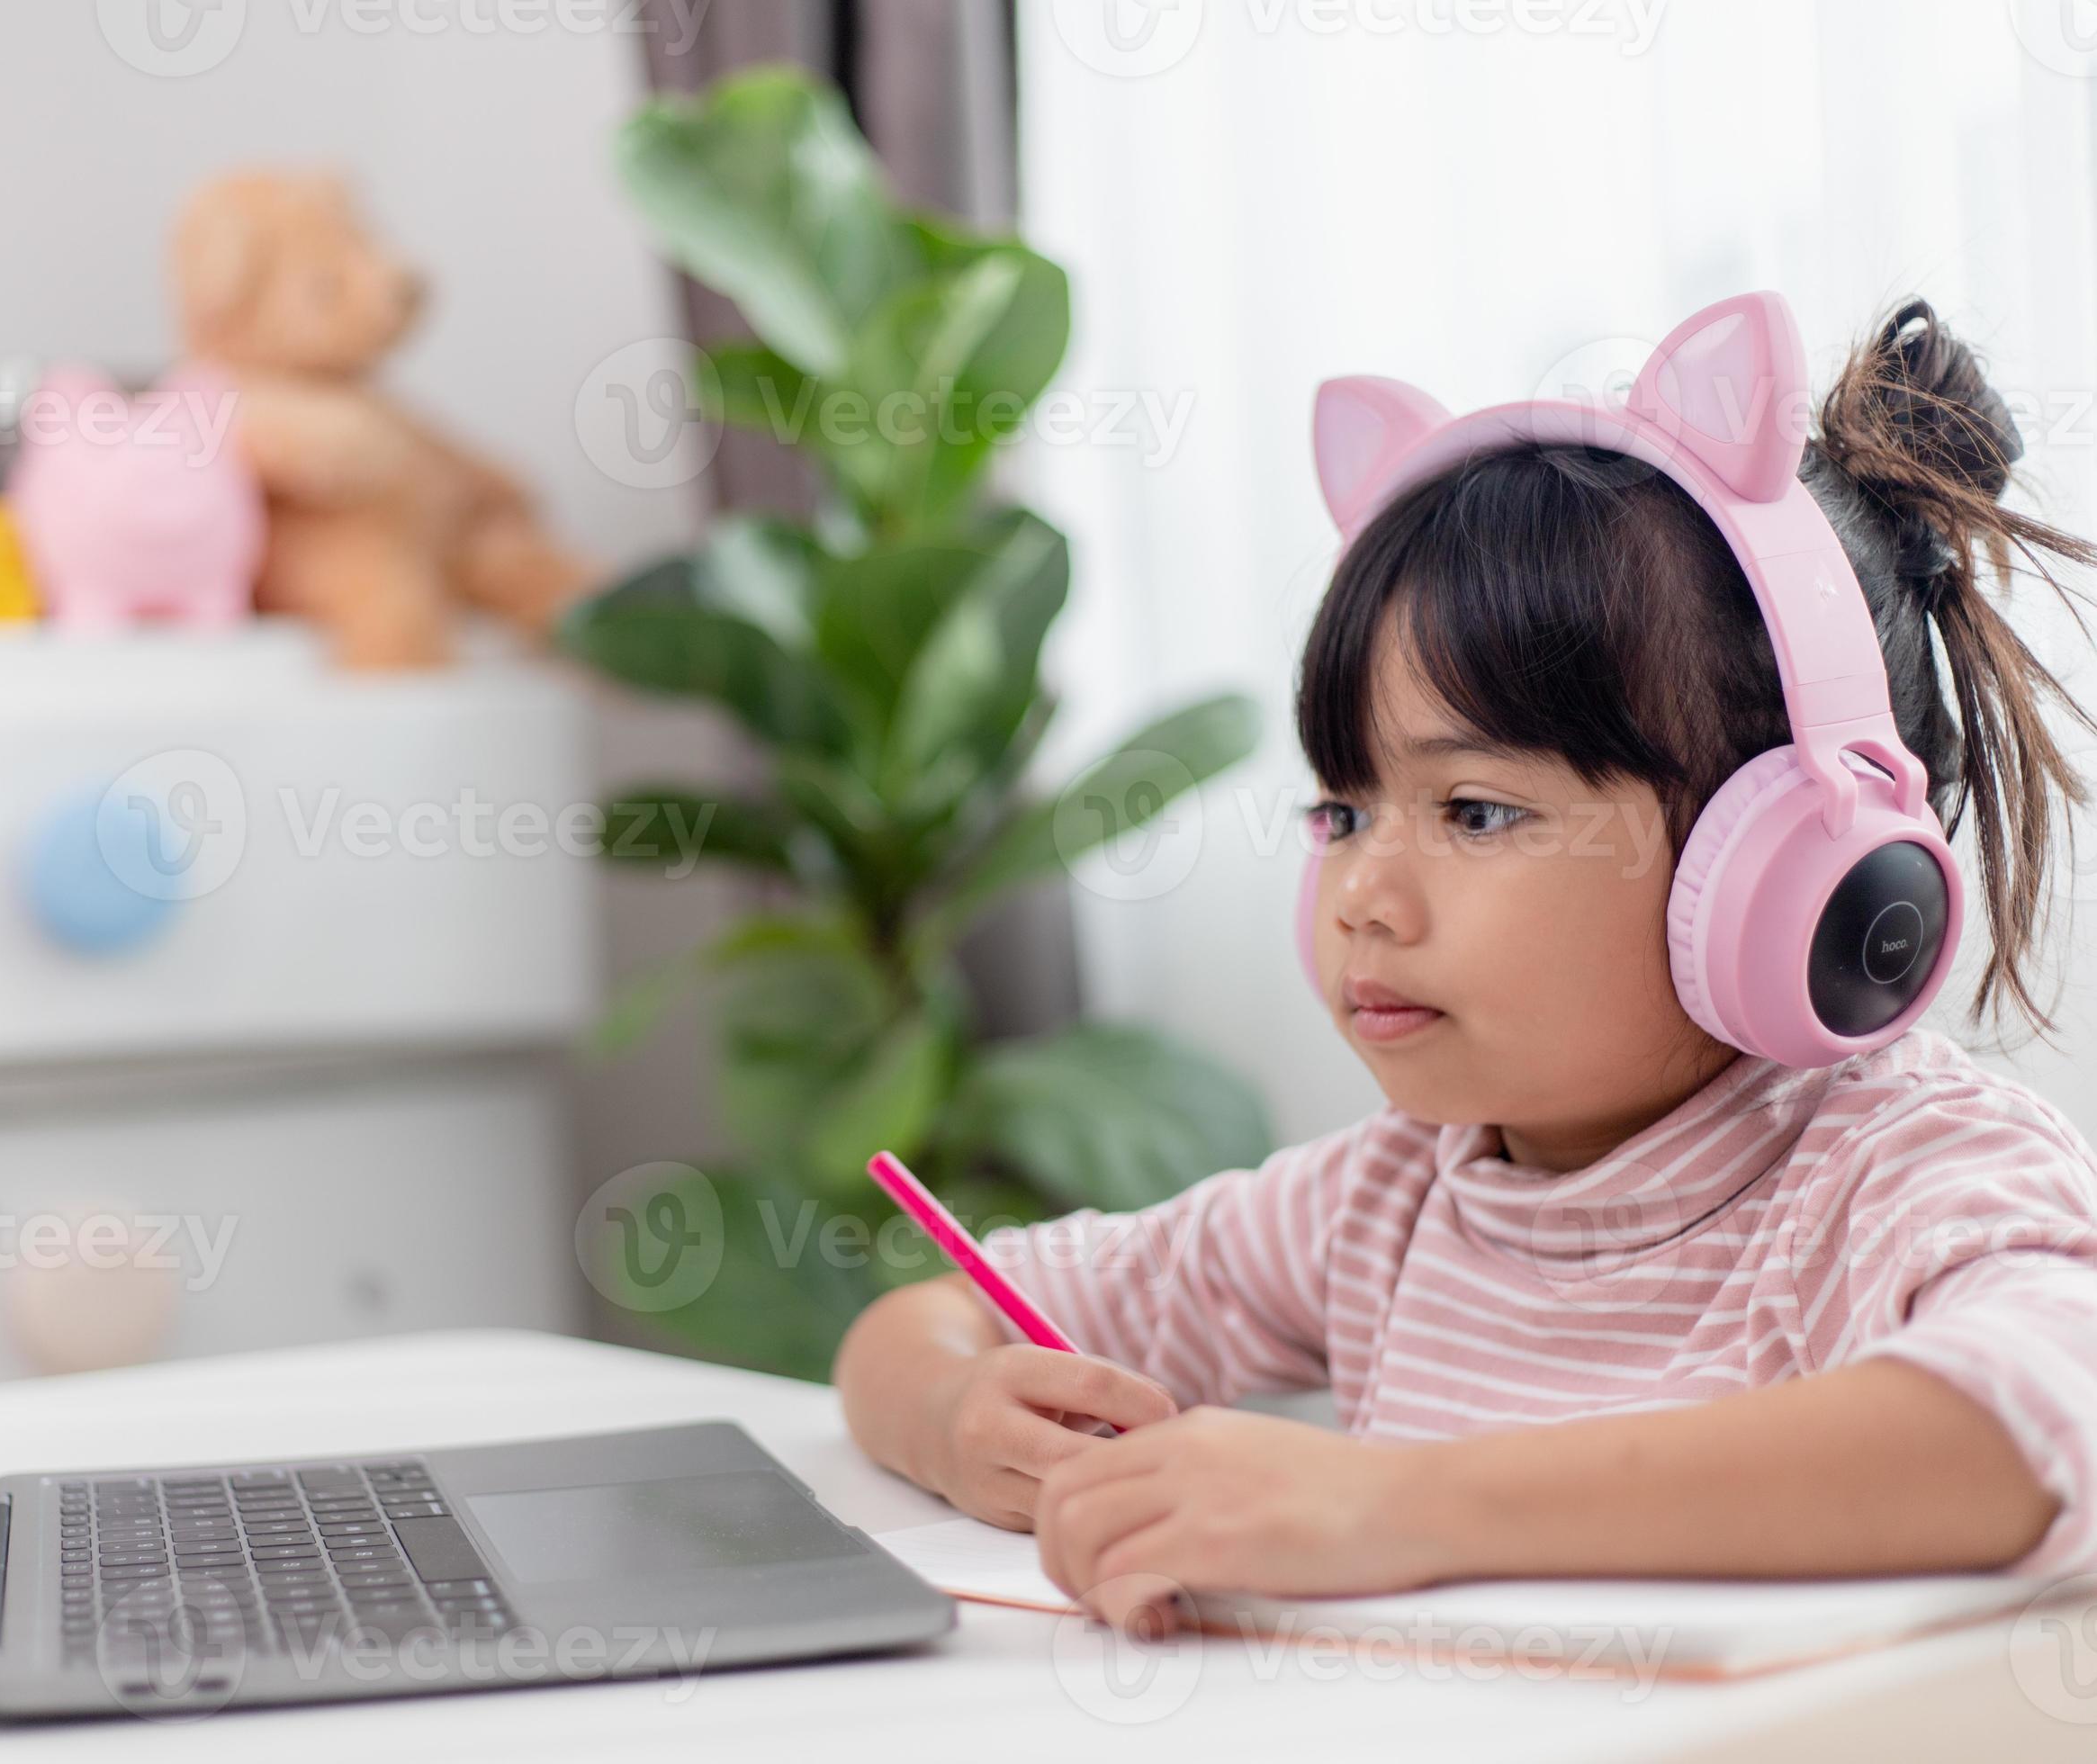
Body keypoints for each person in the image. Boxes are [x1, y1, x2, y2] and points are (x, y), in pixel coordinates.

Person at [834, 296, 2097, 1631]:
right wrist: (956, 1416)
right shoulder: (1378, 1204)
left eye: (1476, 811)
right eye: (1343, 811)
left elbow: (2038, 1421)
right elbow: (928, 1322)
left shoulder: (1892, 1173)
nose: (1362, 896)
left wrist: (1395, 1510)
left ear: (1783, 869)